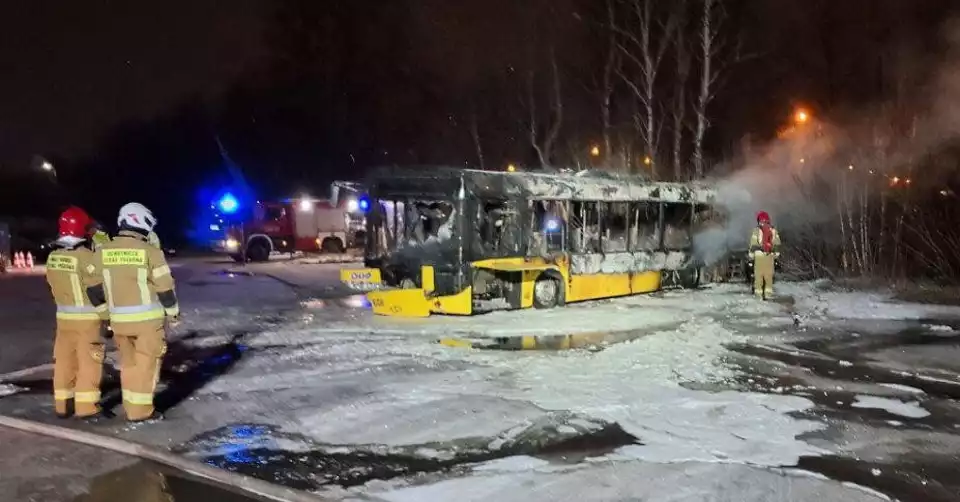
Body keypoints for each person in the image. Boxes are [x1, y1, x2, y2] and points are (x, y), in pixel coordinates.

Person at [99, 202, 179, 422]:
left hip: (119, 323)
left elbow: (95, 288)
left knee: (129, 365)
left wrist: (105, 314)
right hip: (147, 323)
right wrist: (173, 314)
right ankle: (142, 413)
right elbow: (165, 287)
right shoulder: (150, 252)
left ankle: (131, 405)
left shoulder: (103, 251)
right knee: (146, 366)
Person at [45, 206, 109, 419]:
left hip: (63, 319)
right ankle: (87, 408)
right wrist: (107, 318)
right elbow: (96, 290)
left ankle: (62, 405)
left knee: (64, 361)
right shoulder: (85, 257)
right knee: (89, 362)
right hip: (87, 320)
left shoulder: (53, 257)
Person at [749, 211, 781, 299]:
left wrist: (751, 257)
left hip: (759, 256)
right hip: (769, 256)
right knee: (768, 276)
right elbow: (777, 244)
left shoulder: (756, 230)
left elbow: (753, 244)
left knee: (758, 276)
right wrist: (775, 256)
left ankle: (758, 295)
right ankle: (768, 294)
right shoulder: (773, 230)